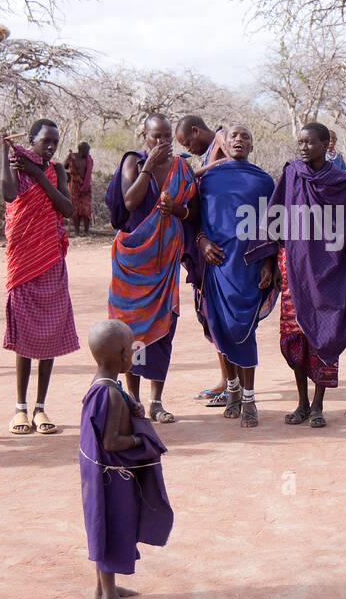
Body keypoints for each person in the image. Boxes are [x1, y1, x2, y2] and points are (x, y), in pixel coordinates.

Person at [106, 114, 198, 423]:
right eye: (155, 137)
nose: (162, 142)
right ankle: (133, 400)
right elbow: (130, 202)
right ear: (145, 137)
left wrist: (177, 210)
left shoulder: (182, 169)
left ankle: (156, 401)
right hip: (132, 264)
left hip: (165, 264)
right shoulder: (133, 162)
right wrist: (148, 167)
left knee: (162, 333)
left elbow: (193, 211)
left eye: (167, 137)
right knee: (131, 334)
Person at [270, 122, 346, 428]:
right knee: (296, 336)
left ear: (326, 145)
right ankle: (301, 402)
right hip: (294, 266)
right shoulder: (292, 173)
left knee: (327, 333)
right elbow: (276, 217)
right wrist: (269, 262)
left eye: (309, 142)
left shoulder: (340, 181)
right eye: (300, 143)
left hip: (330, 269)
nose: (303, 147)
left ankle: (319, 405)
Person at [79, 319, 173, 599]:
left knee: (102, 526)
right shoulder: (112, 396)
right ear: (121, 356)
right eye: (131, 351)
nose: (133, 356)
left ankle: (102, 587)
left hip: (99, 476)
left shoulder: (100, 387)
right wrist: (138, 437)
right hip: (113, 478)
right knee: (113, 529)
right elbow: (112, 442)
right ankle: (109, 598)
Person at [193, 125, 279, 427]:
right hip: (215, 265)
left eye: (246, 136)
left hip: (249, 267)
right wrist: (202, 241)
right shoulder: (206, 179)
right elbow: (194, 218)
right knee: (219, 328)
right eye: (234, 137)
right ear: (224, 144)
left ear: (253, 146)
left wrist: (269, 262)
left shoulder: (264, 181)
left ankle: (250, 399)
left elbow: (272, 225)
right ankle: (231, 391)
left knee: (244, 330)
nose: (240, 140)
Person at [2, 119, 79, 435]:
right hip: (23, 260)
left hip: (50, 259)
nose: (50, 147)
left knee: (49, 335)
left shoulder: (56, 169)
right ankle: (20, 408)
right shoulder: (16, 164)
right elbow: (8, 195)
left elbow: (67, 208)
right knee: (25, 336)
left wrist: (39, 175)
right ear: (30, 140)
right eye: (45, 141)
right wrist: (3, 158)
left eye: (54, 142)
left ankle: (40, 407)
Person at [176, 114, 231, 406]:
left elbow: (234, 161)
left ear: (197, 131)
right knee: (210, 313)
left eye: (188, 142)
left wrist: (196, 173)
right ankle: (227, 380)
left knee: (222, 314)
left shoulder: (222, 139)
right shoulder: (207, 151)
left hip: (223, 240)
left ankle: (231, 383)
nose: (190, 148)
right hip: (206, 239)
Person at [63, 141, 94, 236]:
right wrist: (69, 173)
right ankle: (76, 231)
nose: (88, 153)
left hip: (85, 186)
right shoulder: (72, 157)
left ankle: (86, 231)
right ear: (82, 150)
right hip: (74, 186)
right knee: (75, 208)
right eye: (87, 151)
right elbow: (63, 167)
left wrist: (84, 185)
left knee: (86, 208)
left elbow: (88, 173)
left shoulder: (88, 160)